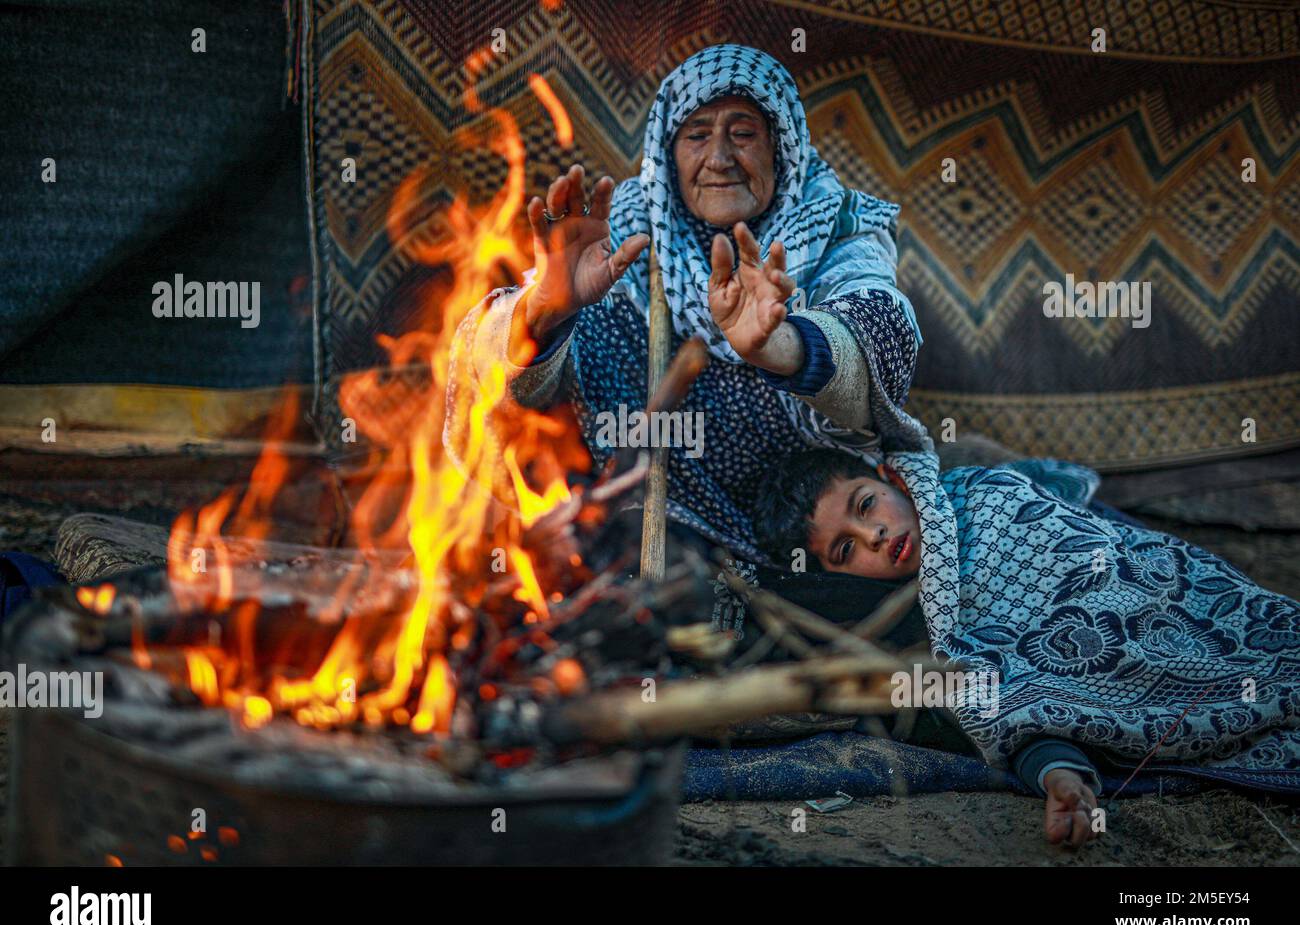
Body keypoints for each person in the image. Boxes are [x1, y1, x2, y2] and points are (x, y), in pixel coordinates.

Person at [448, 44, 930, 567]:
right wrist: (545, 310)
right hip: (652, 533)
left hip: (810, 538)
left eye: (743, 134)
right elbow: (496, 385)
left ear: (781, 146)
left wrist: (779, 345)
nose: (719, 159)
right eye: (697, 136)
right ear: (668, 153)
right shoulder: (620, 237)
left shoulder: (837, 222)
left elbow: (879, 329)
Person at [753, 446, 1300, 846]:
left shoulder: (983, 494)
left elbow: (1090, 529)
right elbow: (1016, 709)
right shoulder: (930, 633)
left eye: (867, 504)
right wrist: (1062, 779)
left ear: (891, 477)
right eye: (846, 548)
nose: (873, 533)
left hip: (1188, 600)